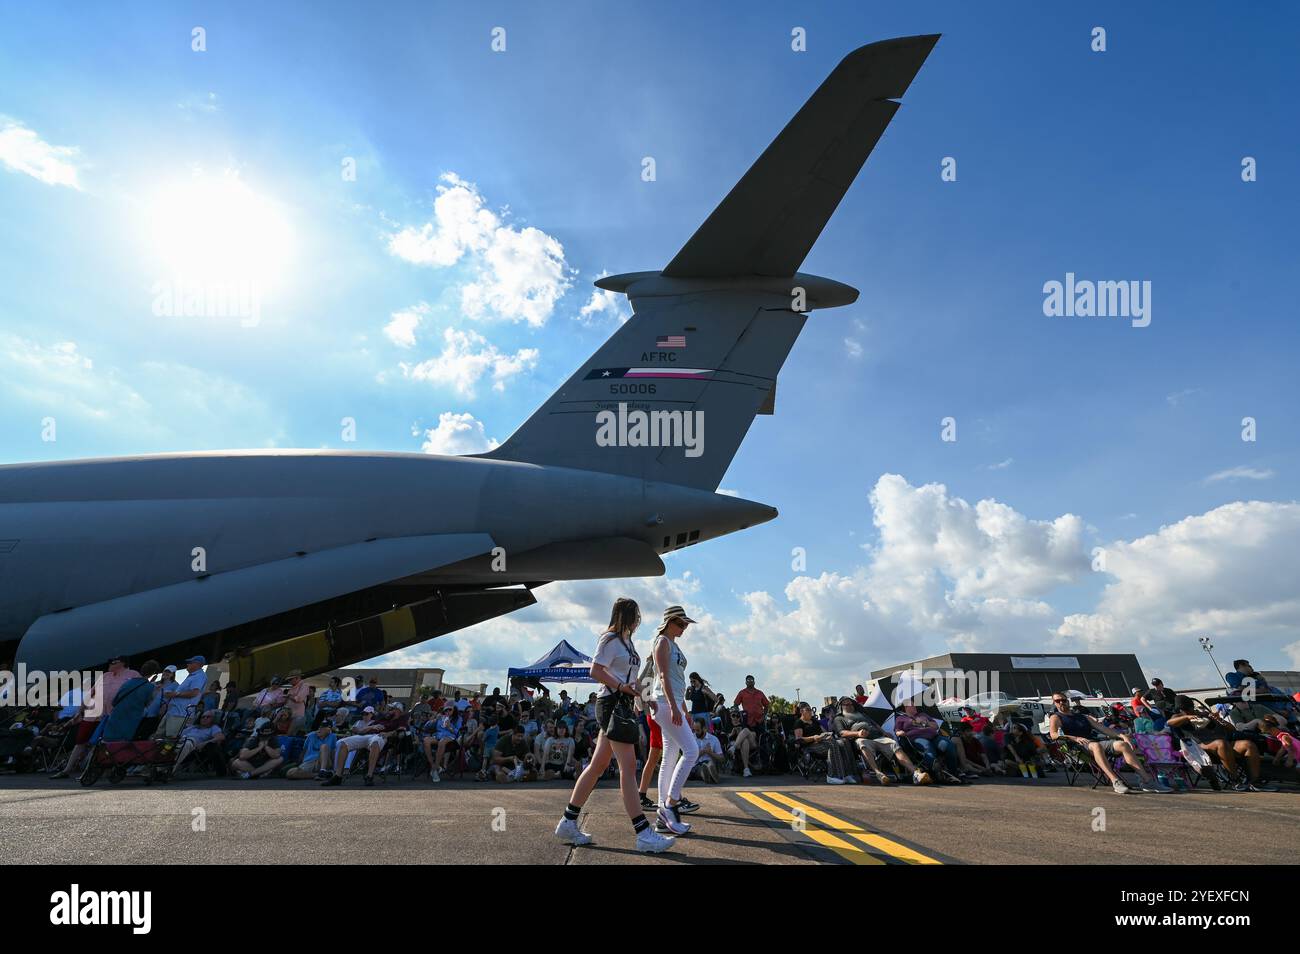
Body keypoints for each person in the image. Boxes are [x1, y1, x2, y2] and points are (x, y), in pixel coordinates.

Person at [553, 597, 674, 853]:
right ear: (627, 615)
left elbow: (631, 678)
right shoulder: (610, 640)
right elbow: (595, 670)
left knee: (597, 766)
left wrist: (646, 697)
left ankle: (568, 820)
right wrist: (621, 687)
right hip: (611, 703)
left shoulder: (627, 643)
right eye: (635, 614)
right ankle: (643, 833)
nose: (638, 619)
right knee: (628, 767)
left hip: (621, 704)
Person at [1046, 691, 1169, 794]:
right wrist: (1074, 738)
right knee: (1096, 745)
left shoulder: (1083, 717)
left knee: (1122, 745)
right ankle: (1115, 780)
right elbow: (1053, 735)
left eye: (1063, 700)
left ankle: (1147, 781)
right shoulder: (1056, 717)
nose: (1061, 702)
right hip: (1077, 747)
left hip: (1093, 742)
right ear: (1055, 703)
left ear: (1067, 700)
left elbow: (1104, 729)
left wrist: (1122, 735)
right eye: (1058, 701)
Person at [647, 604, 699, 835]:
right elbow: (663, 676)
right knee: (692, 752)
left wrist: (684, 708)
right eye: (681, 623)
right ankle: (671, 803)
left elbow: (678, 680)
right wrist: (673, 706)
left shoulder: (673, 644)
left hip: (674, 702)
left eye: (686, 623)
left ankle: (662, 814)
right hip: (665, 703)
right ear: (669, 622)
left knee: (669, 756)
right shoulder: (662, 642)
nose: (684, 627)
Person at [52, 656, 139, 778]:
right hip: (92, 714)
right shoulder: (105, 676)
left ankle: (98, 770)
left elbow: (140, 692)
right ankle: (67, 770)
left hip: (111, 716)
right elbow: (90, 693)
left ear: (123, 663)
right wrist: (80, 711)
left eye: (114, 662)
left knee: (105, 743)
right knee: (81, 741)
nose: (110, 663)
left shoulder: (133, 675)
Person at [1166, 695, 1271, 792]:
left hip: (1222, 742)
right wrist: (1187, 717)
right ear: (1180, 709)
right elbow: (1169, 723)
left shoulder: (1202, 713)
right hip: (1199, 746)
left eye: (1189, 708)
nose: (1188, 711)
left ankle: (1254, 781)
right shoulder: (1178, 716)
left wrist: (1219, 720)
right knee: (1221, 743)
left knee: (1248, 745)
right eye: (1185, 709)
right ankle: (1235, 781)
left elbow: (1232, 729)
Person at [832, 697, 929, 785]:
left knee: (893, 744)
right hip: (862, 738)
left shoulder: (862, 714)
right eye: (846, 704)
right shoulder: (839, 718)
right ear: (841, 706)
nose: (850, 705)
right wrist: (857, 734)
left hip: (878, 737)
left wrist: (884, 732)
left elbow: (875, 725)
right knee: (862, 743)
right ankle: (879, 774)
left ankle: (915, 773)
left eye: (851, 703)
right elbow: (842, 733)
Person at [894, 703, 965, 783]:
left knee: (949, 745)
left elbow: (936, 726)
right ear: (906, 707)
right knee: (927, 747)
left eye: (914, 704)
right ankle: (935, 773)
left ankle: (953, 773)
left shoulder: (923, 715)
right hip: (917, 738)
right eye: (912, 705)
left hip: (934, 737)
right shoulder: (901, 718)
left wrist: (925, 722)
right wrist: (901, 733)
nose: (914, 706)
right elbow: (897, 731)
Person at [792, 701, 859, 784]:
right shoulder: (799, 723)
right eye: (808, 710)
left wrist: (827, 734)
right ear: (801, 711)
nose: (810, 711)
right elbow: (799, 739)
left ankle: (846, 774)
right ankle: (832, 775)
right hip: (809, 747)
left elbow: (825, 731)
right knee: (831, 743)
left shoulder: (814, 721)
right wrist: (813, 737)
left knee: (844, 742)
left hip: (822, 742)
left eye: (811, 709)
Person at [322, 706, 387, 787]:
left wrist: (373, 727)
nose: (364, 715)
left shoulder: (376, 721)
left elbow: (383, 732)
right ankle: (337, 775)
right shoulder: (359, 722)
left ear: (372, 714)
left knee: (376, 742)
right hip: (360, 737)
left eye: (366, 714)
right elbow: (358, 731)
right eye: (363, 714)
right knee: (341, 743)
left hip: (373, 736)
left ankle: (369, 776)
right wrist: (372, 727)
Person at [99, 660, 161, 742]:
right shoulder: (151, 688)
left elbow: (115, 701)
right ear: (153, 673)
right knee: (119, 749)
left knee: (107, 745)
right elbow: (148, 704)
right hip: (130, 723)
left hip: (115, 720)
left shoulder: (128, 682)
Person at [174, 709, 227, 775]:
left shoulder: (213, 727)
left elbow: (220, 737)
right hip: (179, 742)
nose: (205, 718)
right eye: (203, 717)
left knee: (187, 744)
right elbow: (178, 736)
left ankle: (171, 769)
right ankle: (160, 769)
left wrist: (204, 743)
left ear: (213, 719)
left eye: (208, 717)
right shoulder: (193, 727)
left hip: (192, 745)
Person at [424, 704, 461, 782]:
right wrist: (433, 719)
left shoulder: (458, 719)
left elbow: (459, 733)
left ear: (454, 711)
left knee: (442, 741)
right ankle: (434, 766)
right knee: (426, 740)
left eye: (450, 710)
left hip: (451, 738)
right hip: (438, 736)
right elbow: (426, 727)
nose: (447, 711)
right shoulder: (441, 717)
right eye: (446, 710)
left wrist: (450, 727)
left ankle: (435, 769)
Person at [691, 718, 724, 783]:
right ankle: (708, 776)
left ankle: (710, 773)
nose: (696, 733)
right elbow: (689, 758)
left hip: (710, 762)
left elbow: (722, 759)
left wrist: (710, 753)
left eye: (698, 730)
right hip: (696, 765)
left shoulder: (714, 739)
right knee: (700, 768)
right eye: (694, 730)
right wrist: (703, 751)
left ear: (704, 728)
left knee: (710, 763)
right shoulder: (691, 738)